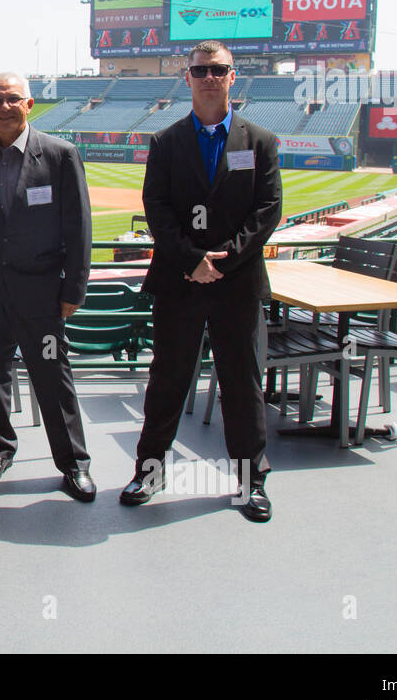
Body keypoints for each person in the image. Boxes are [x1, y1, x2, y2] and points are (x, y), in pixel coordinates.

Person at [120, 39, 282, 522]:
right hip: (179, 281)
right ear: (186, 78)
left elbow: (268, 211)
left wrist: (225, 259)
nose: (210, 77)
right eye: (201, 70)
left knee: (242, 383)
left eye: (219, 69)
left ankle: (252, 482)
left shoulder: (261, 141)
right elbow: (158, 210)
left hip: (237, 284)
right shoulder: (166, 142)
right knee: (166, 380)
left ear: (234, 76)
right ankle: (148, 473)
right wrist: (191, 260)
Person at [0, 72, 95, 502]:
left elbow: (78, 227)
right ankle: (0, 447)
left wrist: (73, 288)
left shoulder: (60, 154)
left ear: (29, 104)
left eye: (12, 99)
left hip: (41, 292)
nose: (4, 107)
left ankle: (73, 463)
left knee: (53, 377)